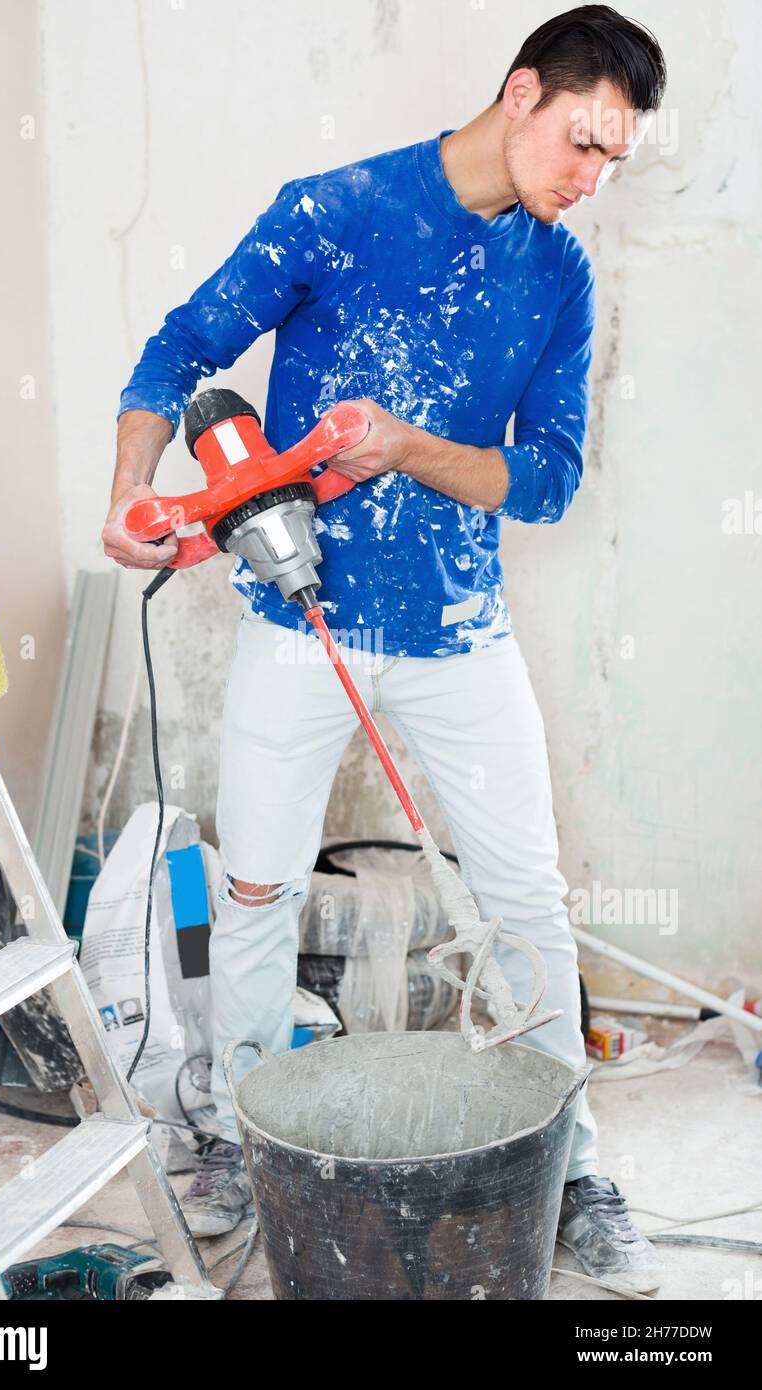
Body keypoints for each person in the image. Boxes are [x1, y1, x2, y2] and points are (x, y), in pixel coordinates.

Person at [103, 5, 667, 1292]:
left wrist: (407, 445)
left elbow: (546, 484)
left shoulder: (557, 274)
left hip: (460, 633)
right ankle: (245, 1141)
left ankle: (567, 1161)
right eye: (580, 140)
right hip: (295, 624)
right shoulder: (335, 208)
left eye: (611, 162)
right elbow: (177, 349)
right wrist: (134, 489)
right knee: (252, 891)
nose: (586, 177)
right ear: (521, 92)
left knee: (524, 898)